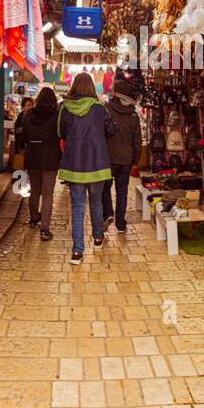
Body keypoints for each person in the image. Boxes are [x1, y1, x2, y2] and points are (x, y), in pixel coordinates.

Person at [58, 72, 115, 265]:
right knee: (96, 203)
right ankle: (98, 238)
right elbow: (111, 130)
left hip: (74, 163)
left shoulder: (64, 108)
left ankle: (77, 252)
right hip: (97, 163)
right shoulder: (100, 108)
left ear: (74, 86)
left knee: (77, 207)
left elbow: (60, 132)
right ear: (91, 87)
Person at [103, 79, 143, 233]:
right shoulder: (133, 114)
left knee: (105, 188)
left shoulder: (106, 109)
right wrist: (135, 161)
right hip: (126, 160)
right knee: (122, 192)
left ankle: (107, 214)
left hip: (108, 158)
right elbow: (137, 141)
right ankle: (121, 223)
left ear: (116, 92)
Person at [21, 89, 60, 241]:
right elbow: (61, 135)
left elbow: (24, 137)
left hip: (33, 156)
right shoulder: (56, 116)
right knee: (48, 193)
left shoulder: (29, 115)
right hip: (50, 158)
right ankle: (45, 229)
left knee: (35, 189)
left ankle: (33, 219)